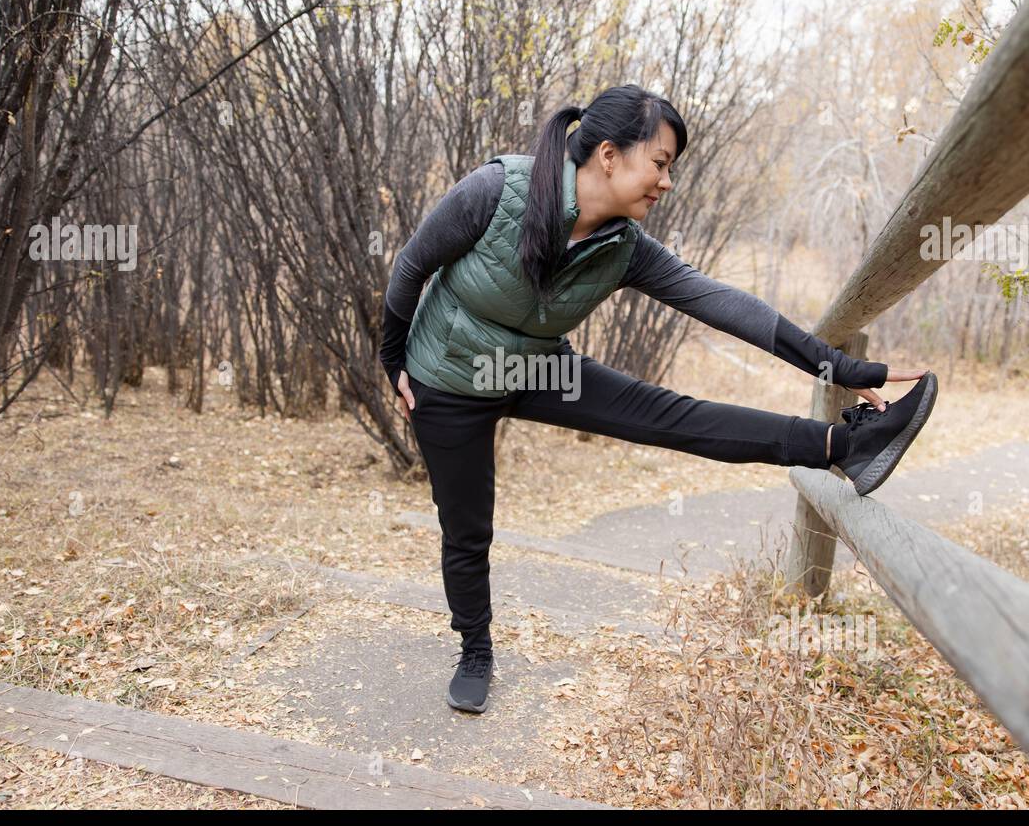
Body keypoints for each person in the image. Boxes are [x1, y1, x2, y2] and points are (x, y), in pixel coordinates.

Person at [378, 84, 937, 714]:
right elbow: (410, 266)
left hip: (534, 369)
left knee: (671, 418)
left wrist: (838, 367)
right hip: (447, 381)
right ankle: (476, 650)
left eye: (670, 168)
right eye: (661, 162)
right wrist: (393, 359)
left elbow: (722, 304)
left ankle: (846, 445)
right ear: (610, 155)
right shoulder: (498, 192)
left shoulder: (623, 247)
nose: (666, 182)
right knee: (468, 528)